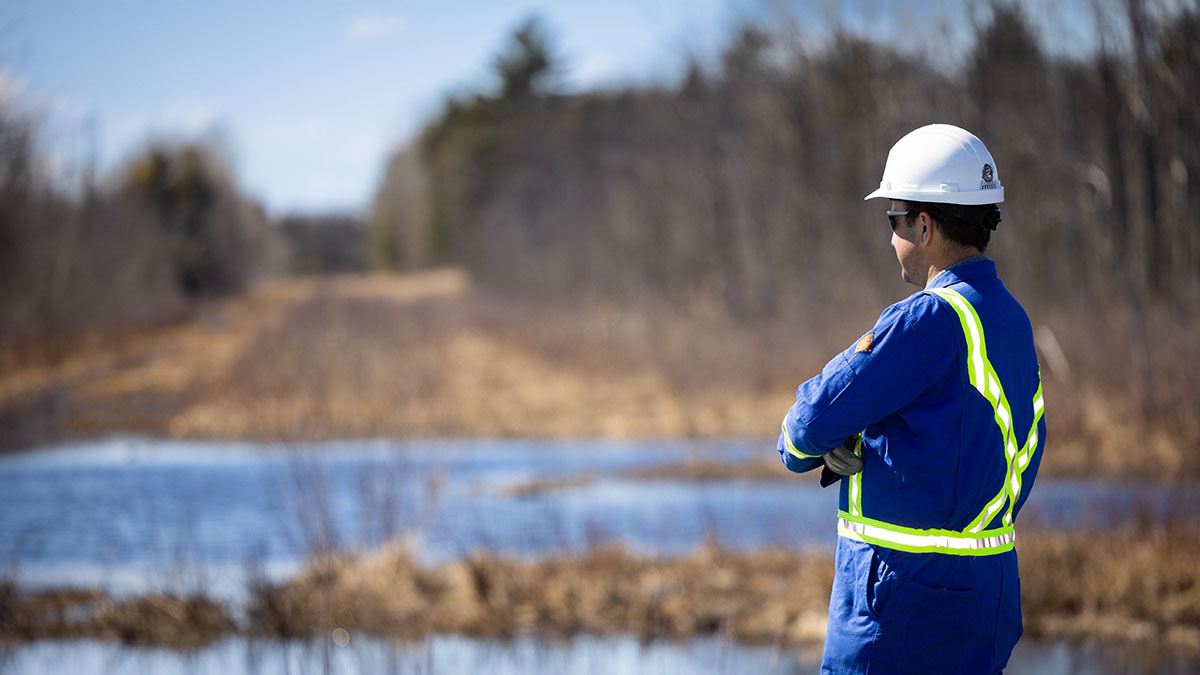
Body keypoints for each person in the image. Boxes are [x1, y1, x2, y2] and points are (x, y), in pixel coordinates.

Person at [777, 123, 1046, 674]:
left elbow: (805, 426)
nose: (891, 236)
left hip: (901, 608)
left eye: (894, 219)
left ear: (924, 226)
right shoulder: (1011, 320)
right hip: (985, 601)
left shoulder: (927, 320)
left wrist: (823, 447)